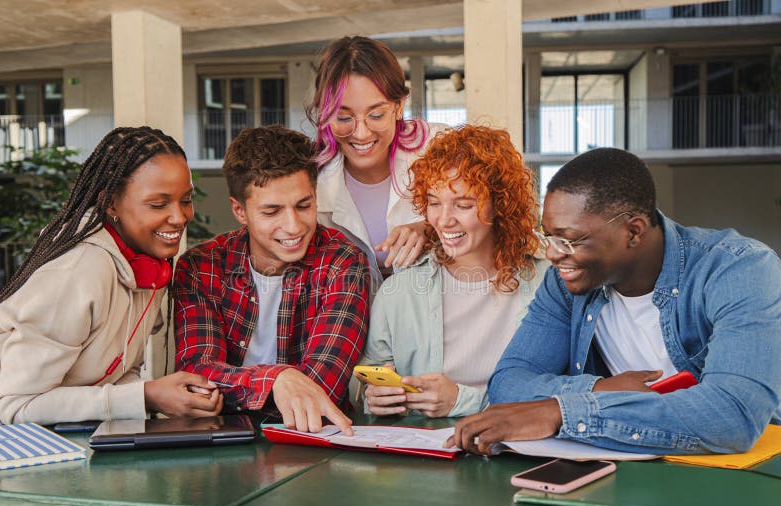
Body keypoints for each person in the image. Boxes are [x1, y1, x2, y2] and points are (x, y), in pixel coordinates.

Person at [448, 147, 781, 455]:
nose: (551, 253)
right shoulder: (565, 283)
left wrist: (561, 412)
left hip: (750, 475)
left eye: (569, 239)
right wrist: (600, 389)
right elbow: (509, 384)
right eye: (547, 236)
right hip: (634, 465)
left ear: (633, 232)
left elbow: (732, 415)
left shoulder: (739, 269)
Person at [0, 127, 223, 506]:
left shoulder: (150, 266)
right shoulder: (81, 268)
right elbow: (16, 408)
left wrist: (156, 400)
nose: (179, 217)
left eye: (185, 200)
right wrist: (145, 395)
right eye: (157, 204)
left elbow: (112, 370)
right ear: (111, 203)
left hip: (59, 459)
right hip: (0, 469)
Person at [173, 125, 370, 435]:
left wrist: (244, 388)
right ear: (240, 211)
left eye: (303, 206)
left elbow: (320, 391)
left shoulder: (342, 262)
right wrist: (277, 380)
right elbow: (196, 378)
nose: (293, 226)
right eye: (272, 211)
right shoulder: (201, 268)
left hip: (313, 443)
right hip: (223, 445)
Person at [361, 126, 549, 418]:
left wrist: (463, 400)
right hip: (422, 455)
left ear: (499, 205)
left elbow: (557, 394)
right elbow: (366, 385)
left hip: (517, 449)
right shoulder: (399, 292)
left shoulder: (545, 283)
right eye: (434, 203)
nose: (444, 220)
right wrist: (375, 398)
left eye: (463, 204)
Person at [308, 35, 444, 292]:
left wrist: (430, 228)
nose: (361, 133)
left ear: (399, 105)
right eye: (344, 117)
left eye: (376, 115)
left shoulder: (439, 148)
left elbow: (496, 217)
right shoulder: (313, 182)